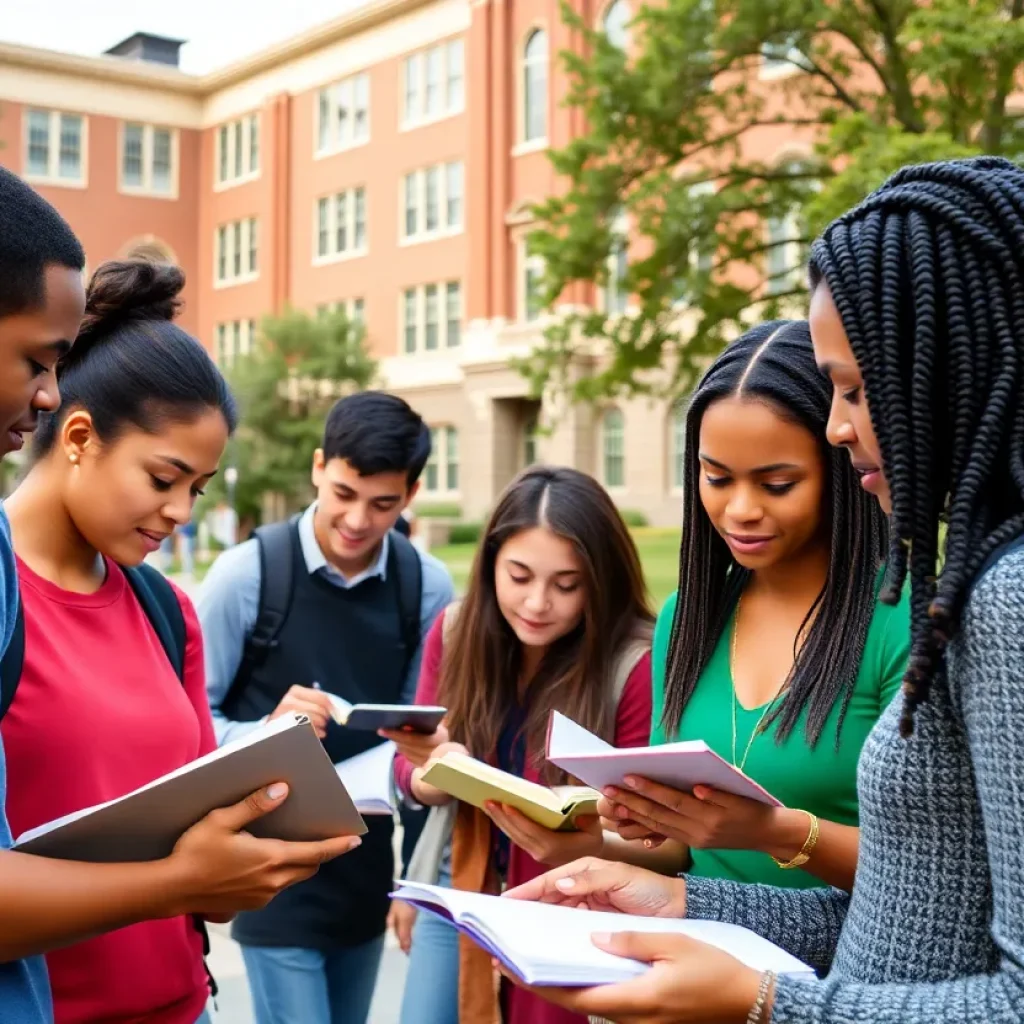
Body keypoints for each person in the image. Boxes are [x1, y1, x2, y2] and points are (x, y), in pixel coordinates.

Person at [502, 156, 1024, 1023]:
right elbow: (909, 931)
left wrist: (765, 1003)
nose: (838, 425)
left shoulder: (1000, 602)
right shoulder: (976, 588)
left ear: (955, 368)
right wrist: (690, 905)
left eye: (858, 390)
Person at [0, 171, 359, 1024]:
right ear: (79, 437)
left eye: (197, 489)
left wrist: (260, 828)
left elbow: (203, 867)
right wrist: (179, 879)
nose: (178, 513)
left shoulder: (167, 611)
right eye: (165, 479)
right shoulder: (5, 594)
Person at [596, 321, 907, 893]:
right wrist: (620, 828)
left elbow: (935, 872)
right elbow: (685, 852)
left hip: (843, 970)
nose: (739, 509)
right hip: (704, 957)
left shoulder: (902, 618)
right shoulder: (686, 617)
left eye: (777, 484)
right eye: (717, 477)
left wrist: (774, 832)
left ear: (843, 469)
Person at [197, 391, 454, 1024]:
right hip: (268, 868)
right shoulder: (246, 575)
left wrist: (415, 891)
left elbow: (431, 751)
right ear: (318, 467)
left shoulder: (427, 586)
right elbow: (190, 727)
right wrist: (265, 735)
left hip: (365, 870)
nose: (358, 520)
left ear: (411, 493)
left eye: (383, 504)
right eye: (343, 493)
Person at [390, 465, 655, 1024]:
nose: (537, 603)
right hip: (461, 884)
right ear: (490, 567)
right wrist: (433, 766)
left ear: (599, 582)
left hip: (569, 902)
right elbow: (409, 772)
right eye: (519, 576)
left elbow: (651, 834)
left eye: (566, 585)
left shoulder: (634, 664)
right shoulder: (456, 630)